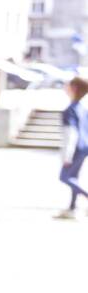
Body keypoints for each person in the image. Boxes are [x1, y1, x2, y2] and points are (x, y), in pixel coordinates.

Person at [55, 75, 88, 219]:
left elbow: (71, 133)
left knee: (65, 177)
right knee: (74, 177)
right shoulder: (82, 108)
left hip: (75, 147)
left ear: (74, 88)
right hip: (84, 146)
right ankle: (72, 208)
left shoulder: (70, 110)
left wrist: (67, 155)